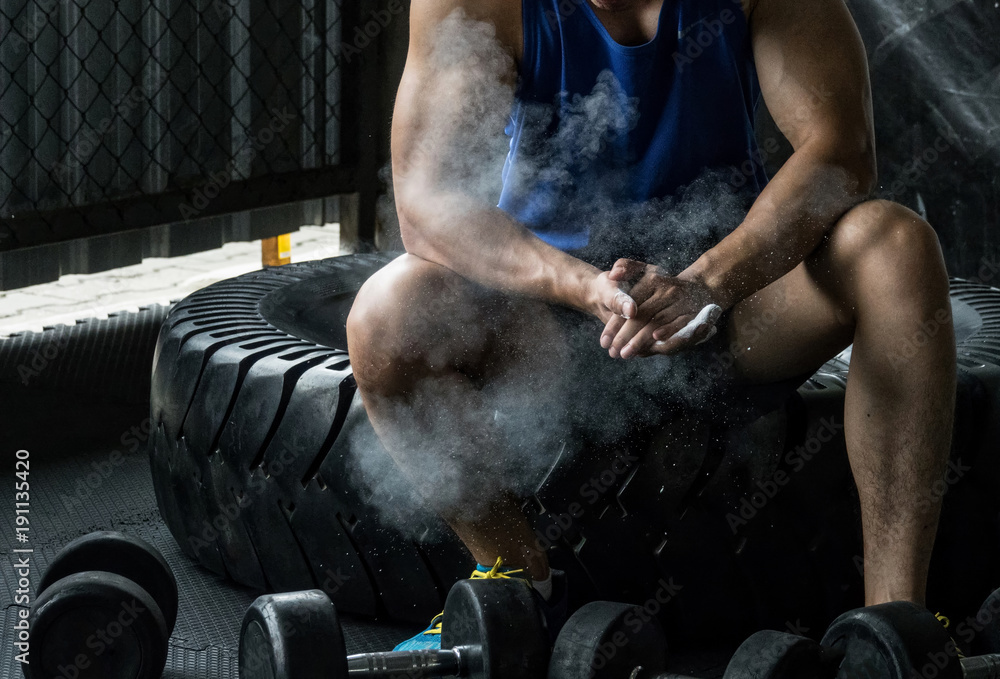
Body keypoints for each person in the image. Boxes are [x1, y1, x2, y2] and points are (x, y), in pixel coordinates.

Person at [346, 0, 957, 651]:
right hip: (551, 329)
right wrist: (581, 285)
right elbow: (426, 201)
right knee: (388, 315)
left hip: (735, 311)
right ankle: (518, 588)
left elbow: (842, 150)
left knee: (897, 248)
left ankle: (896, 627)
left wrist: (711, 283)